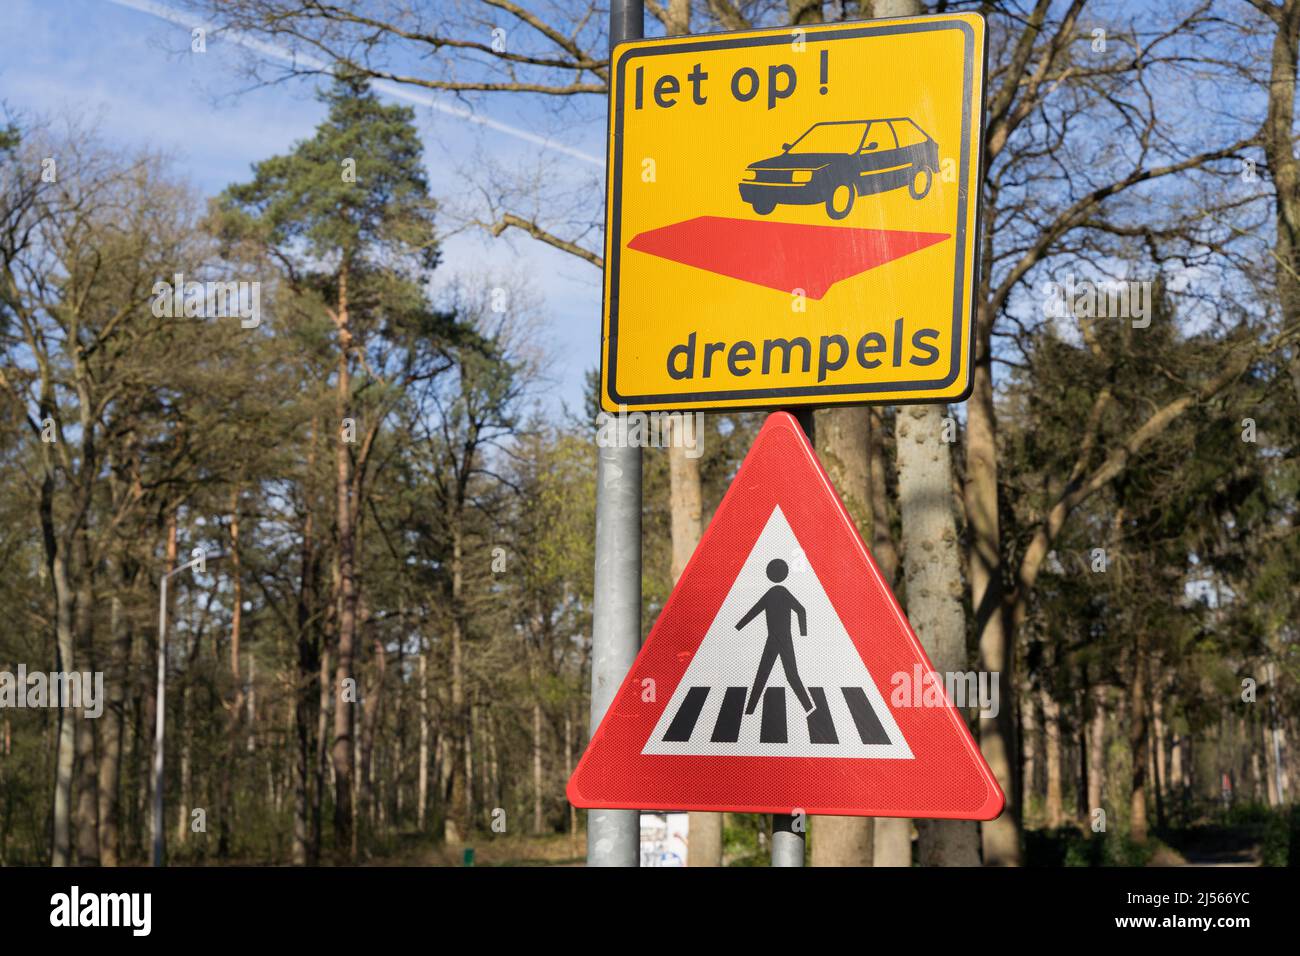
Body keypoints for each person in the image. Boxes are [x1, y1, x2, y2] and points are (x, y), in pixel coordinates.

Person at [736, 558, 815, 716]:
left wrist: (739, 626)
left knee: (765, 675)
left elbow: (754, 611)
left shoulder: (772, 593)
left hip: (777, 639)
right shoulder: (781, 592)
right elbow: (801, 610)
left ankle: (750, 710)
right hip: (780, 639)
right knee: (788, 675)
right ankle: (808, 708)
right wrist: (802, 632)